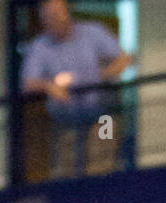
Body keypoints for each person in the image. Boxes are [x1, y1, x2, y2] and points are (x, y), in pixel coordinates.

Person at [20, 0, 132, 179]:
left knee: (102, 165)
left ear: (67, 13)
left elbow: (123, 59)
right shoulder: (40, 46)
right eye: (47, 17)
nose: (51, 21)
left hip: (103, 116)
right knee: (66, 172)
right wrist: (49, 85)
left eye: (56, 15)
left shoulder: (93, 32)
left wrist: (100, 75)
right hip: (66, 119)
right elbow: (28, 83)